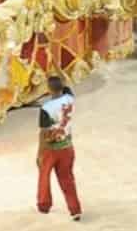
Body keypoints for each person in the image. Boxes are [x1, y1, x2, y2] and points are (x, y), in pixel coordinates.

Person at [35, 75, 82, 220]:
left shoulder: (46, 108)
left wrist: (39, 153)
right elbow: (65, 78)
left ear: (48, 89)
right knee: (67, 178)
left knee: (44, 176)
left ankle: (44, 205)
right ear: (62, 87)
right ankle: (75, 210)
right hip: (67, 146)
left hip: (51, 148)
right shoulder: (70, 98)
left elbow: (43, 132)